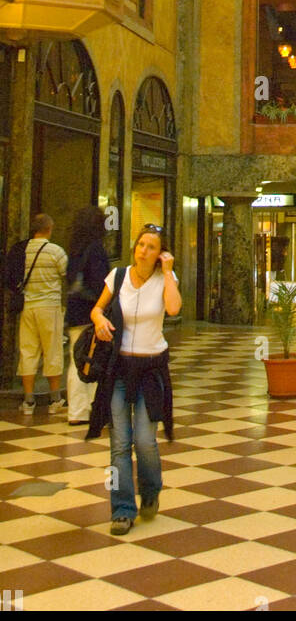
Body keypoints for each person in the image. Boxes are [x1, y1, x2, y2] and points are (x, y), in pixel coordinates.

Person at [87, 226, 181, 536]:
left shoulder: (165, 279)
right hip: (119, 369)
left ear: (160, 254)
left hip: (151, 371)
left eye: (151, 246)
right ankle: (122, 509)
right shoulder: (117, 277)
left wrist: (168, 272)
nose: (143, 250)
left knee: (144, 440)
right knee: (119, 444)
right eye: (141, 244)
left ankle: (151, 490)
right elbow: (97, 308)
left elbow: (174, 308)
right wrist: (99, 319)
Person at [16, 214, 68, 416]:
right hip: (50, 306)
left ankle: (28, 401)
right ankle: (54, 399)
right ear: (50, 228)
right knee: (52, 350)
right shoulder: (56, 251)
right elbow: (67, 274)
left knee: (27, 351)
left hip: (28, 306)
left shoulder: (23, 250)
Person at [65, 206, 111, 426]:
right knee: (87, 359)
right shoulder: (96, 249)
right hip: (91, 311)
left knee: (78, 357)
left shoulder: (75, 248)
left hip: (74, 310)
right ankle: (81, 410)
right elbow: (101, 283)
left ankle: (81, 408)